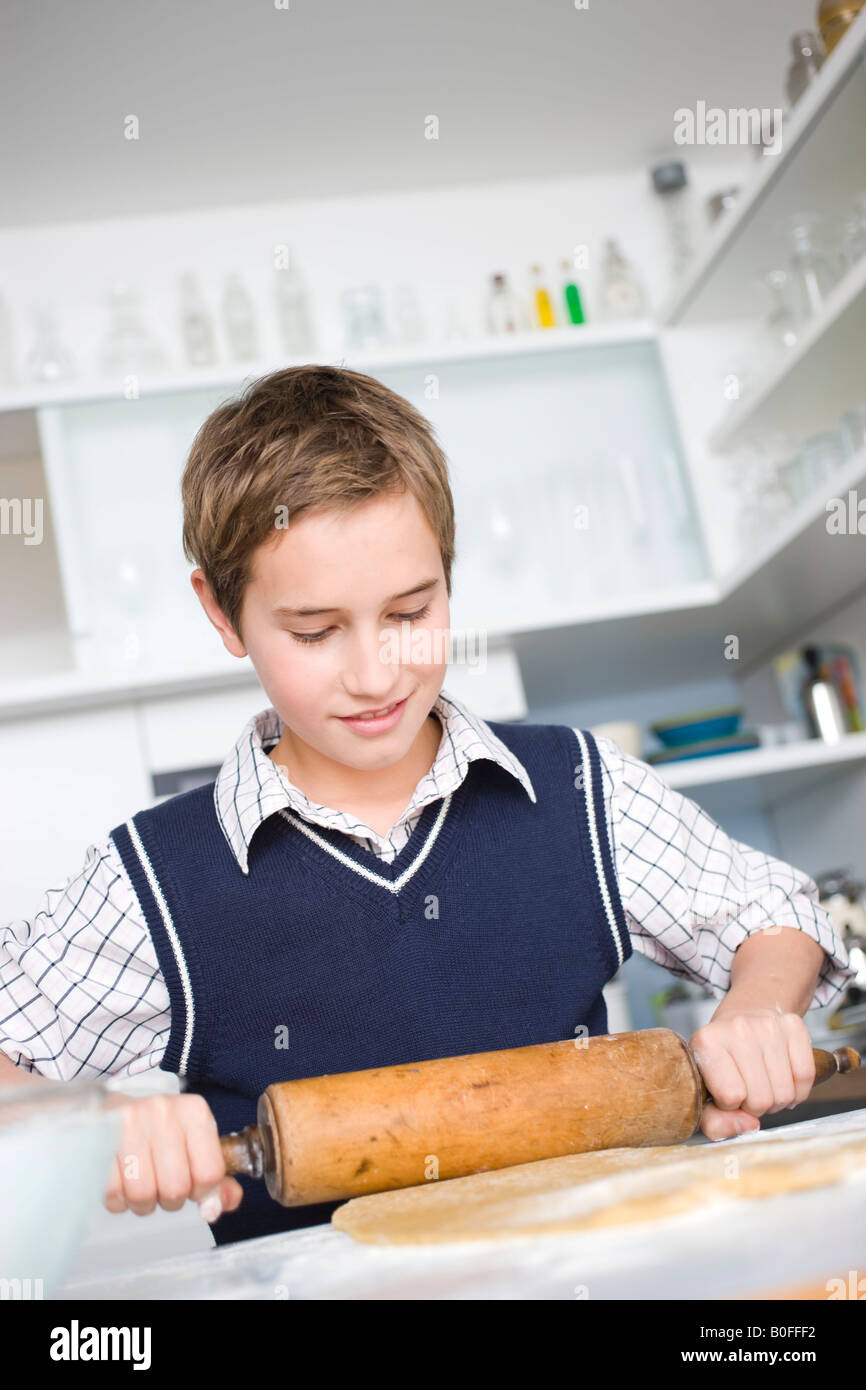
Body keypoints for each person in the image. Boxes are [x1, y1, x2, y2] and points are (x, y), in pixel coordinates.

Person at [0, 365, 855, 1244]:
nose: (376, 675)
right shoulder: (155, 881)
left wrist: (758, 1009)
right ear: (222, 613)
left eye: (411, 611)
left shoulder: (574, 787)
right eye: (314, 632)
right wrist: (98, 1126)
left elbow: (772, 914)